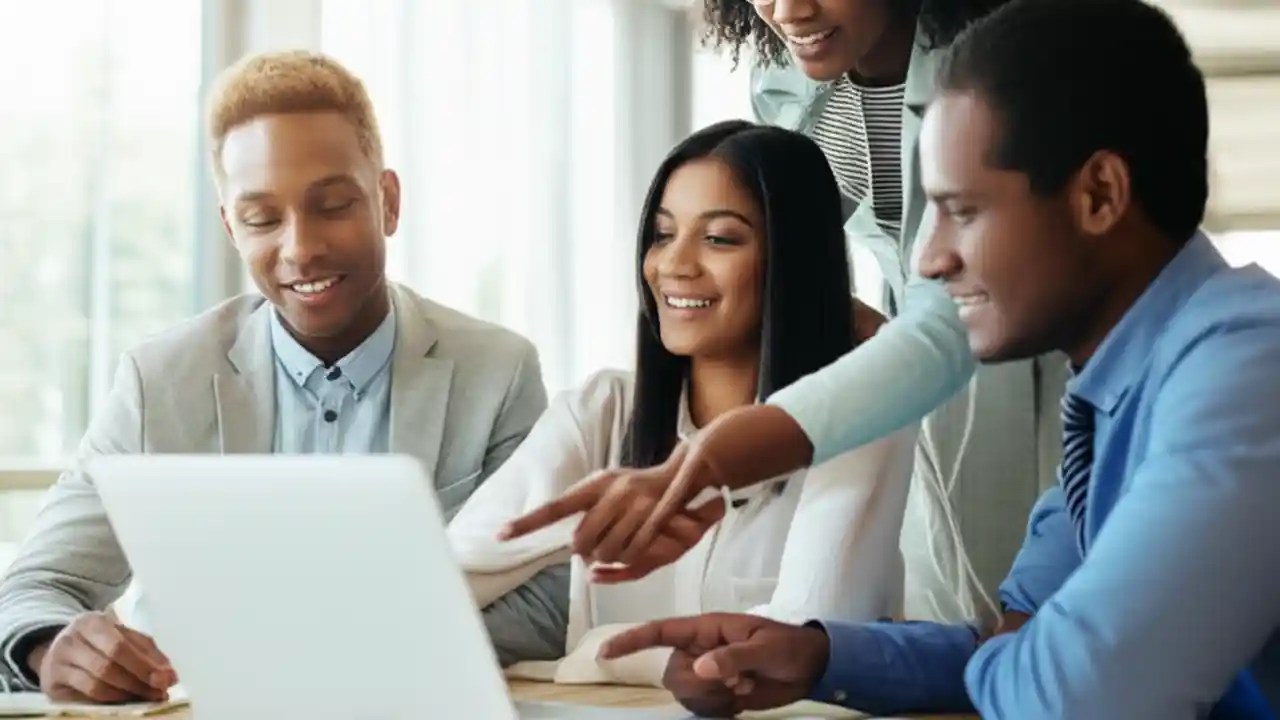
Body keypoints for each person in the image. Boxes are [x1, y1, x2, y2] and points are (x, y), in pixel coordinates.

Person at [595, 0, 1280, 717]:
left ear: (1100, 195)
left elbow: (1076, 698)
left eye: (965, 210)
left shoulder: (1245, 377)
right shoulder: (1114, 401)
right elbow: (1012, 642)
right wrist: (818, 656)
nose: (927, 256)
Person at [0, 51, 560, 702]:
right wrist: (52, 647)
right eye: (263, 218)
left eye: (332, 205)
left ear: (387, 201)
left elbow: (547, 602)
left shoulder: (498, 372)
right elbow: (37, 586)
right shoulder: (159, 381)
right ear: (230, 226)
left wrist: (347, 658)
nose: (300, 247)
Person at [504, 0, 1066, 623]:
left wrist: (723, 454)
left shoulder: (1003, 76)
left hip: (1024, 367)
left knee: (1037, 617)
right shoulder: (791, 82)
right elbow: (798, 253)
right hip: (909, 367)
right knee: (955, 630)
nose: (789, 10)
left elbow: (950, 313)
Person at [449, 120, 915, 685]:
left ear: (792, 261)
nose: (674, 264)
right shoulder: (602, 413)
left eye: (719, 238)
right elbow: (442, 579)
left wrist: (603, 654)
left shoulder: (861, 421)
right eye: (664, 234)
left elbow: (800, 638)